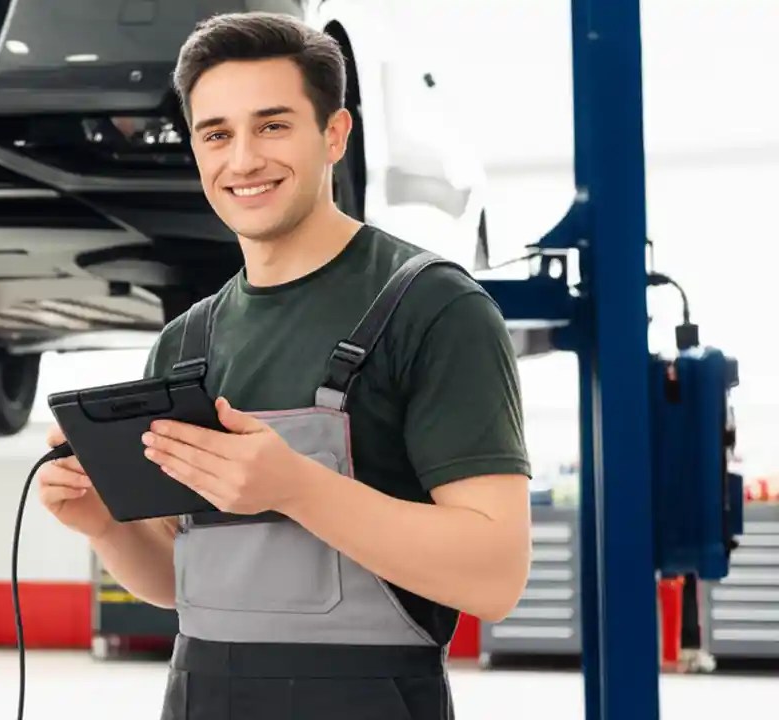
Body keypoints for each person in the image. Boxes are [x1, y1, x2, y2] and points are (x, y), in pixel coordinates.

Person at [36, 11, 531, 719]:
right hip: (199, 693)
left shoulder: (434, 309)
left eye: (272, 125)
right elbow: (184, 582)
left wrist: (295, 487)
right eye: (217, 134)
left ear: (334, 135)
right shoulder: (185, 343)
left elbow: (495, 576)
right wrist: (104, 525)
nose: (242, 160)